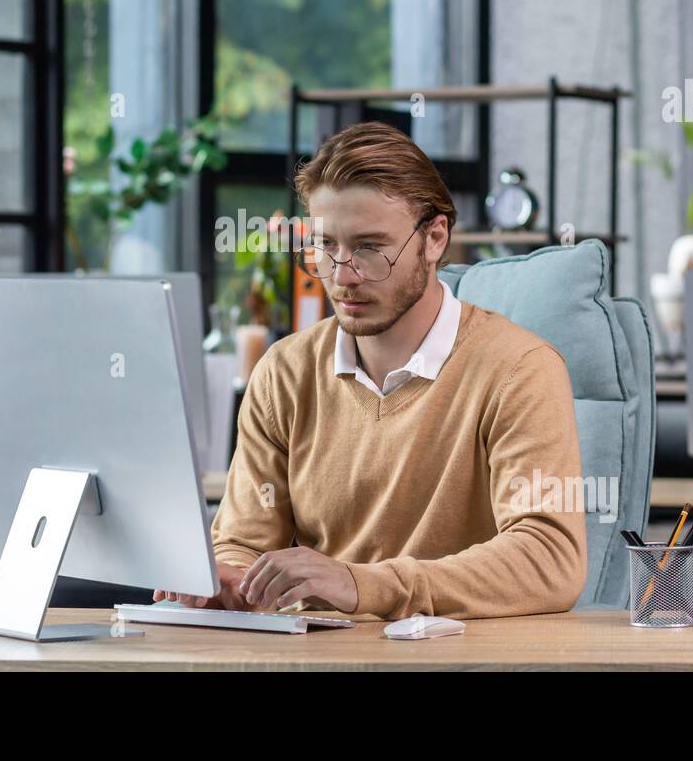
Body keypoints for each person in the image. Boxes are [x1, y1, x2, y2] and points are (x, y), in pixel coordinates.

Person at [155, 122, 588, 620]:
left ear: (434, 238)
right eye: (326, 246)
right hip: (319, 659)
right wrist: (226, 581)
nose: (341, 275)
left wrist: (363, 584)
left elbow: (550, 561)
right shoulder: (283, 372)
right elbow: (242, 544)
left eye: (369, 247)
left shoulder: (520, 370)